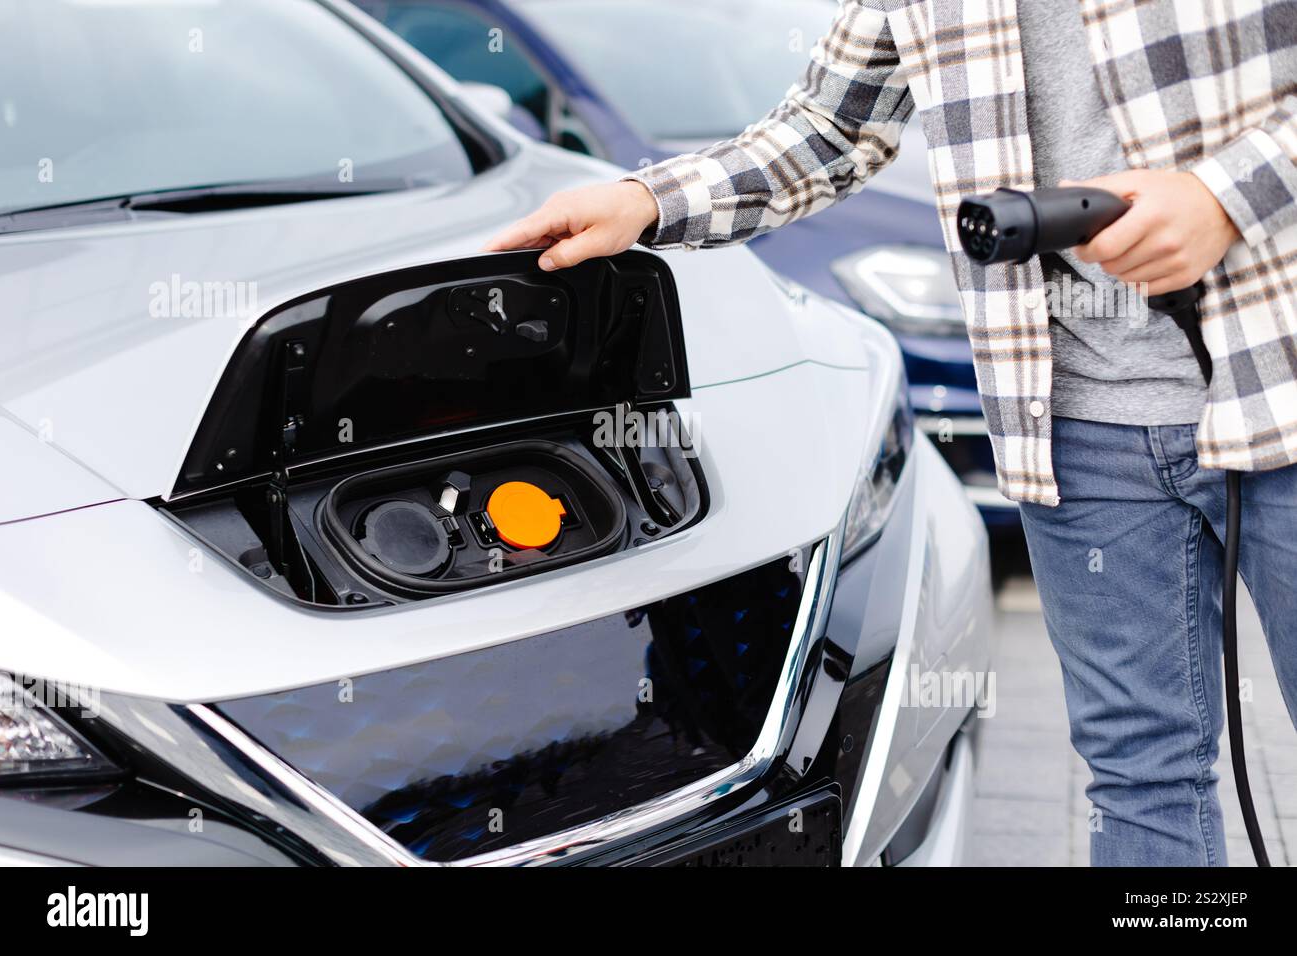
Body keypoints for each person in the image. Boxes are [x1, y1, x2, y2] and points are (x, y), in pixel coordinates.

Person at [484, 1, 1297, 866]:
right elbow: (832, 127)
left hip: (1276, 387)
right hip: (1070, 424)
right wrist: (646, 200)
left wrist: (1226, 196)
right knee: (1141, 775)